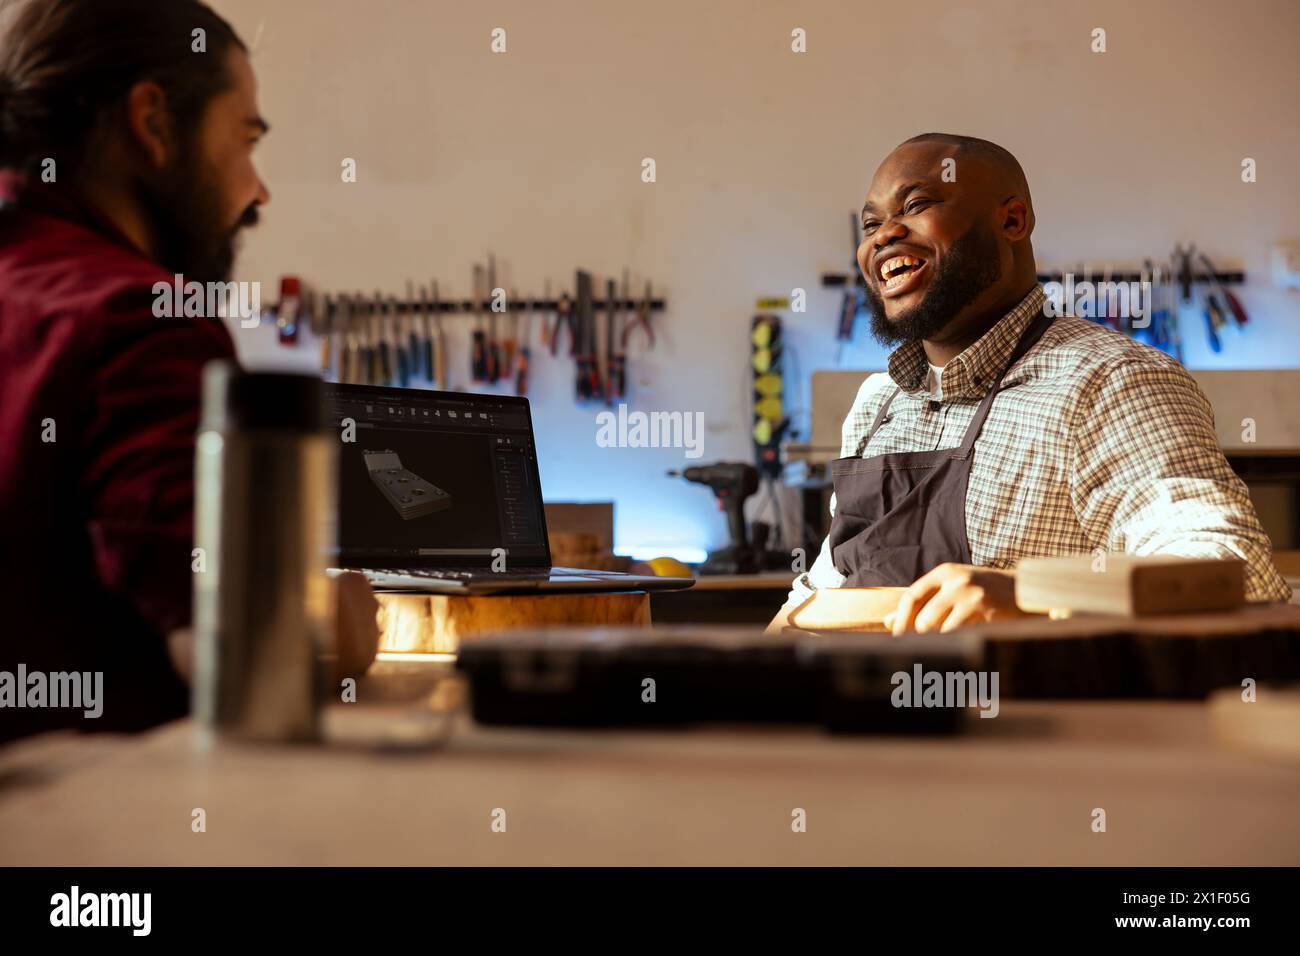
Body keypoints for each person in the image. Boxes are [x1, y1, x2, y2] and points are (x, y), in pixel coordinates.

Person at [0, 0, 374, 741]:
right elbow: (243, 660)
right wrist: (337, 623)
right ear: (154, 123)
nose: (259, 190)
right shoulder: (139, 318)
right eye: (246, 139)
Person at [771, 133, 1290, 635]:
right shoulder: (877, 403)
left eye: (916, 204)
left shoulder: (1109, 381)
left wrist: (1033, 602)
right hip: (864, 712)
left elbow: (1235, 572)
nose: (884, 234)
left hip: (1022, 716)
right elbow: (814, 593)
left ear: (1012, 220)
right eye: (870, 224)